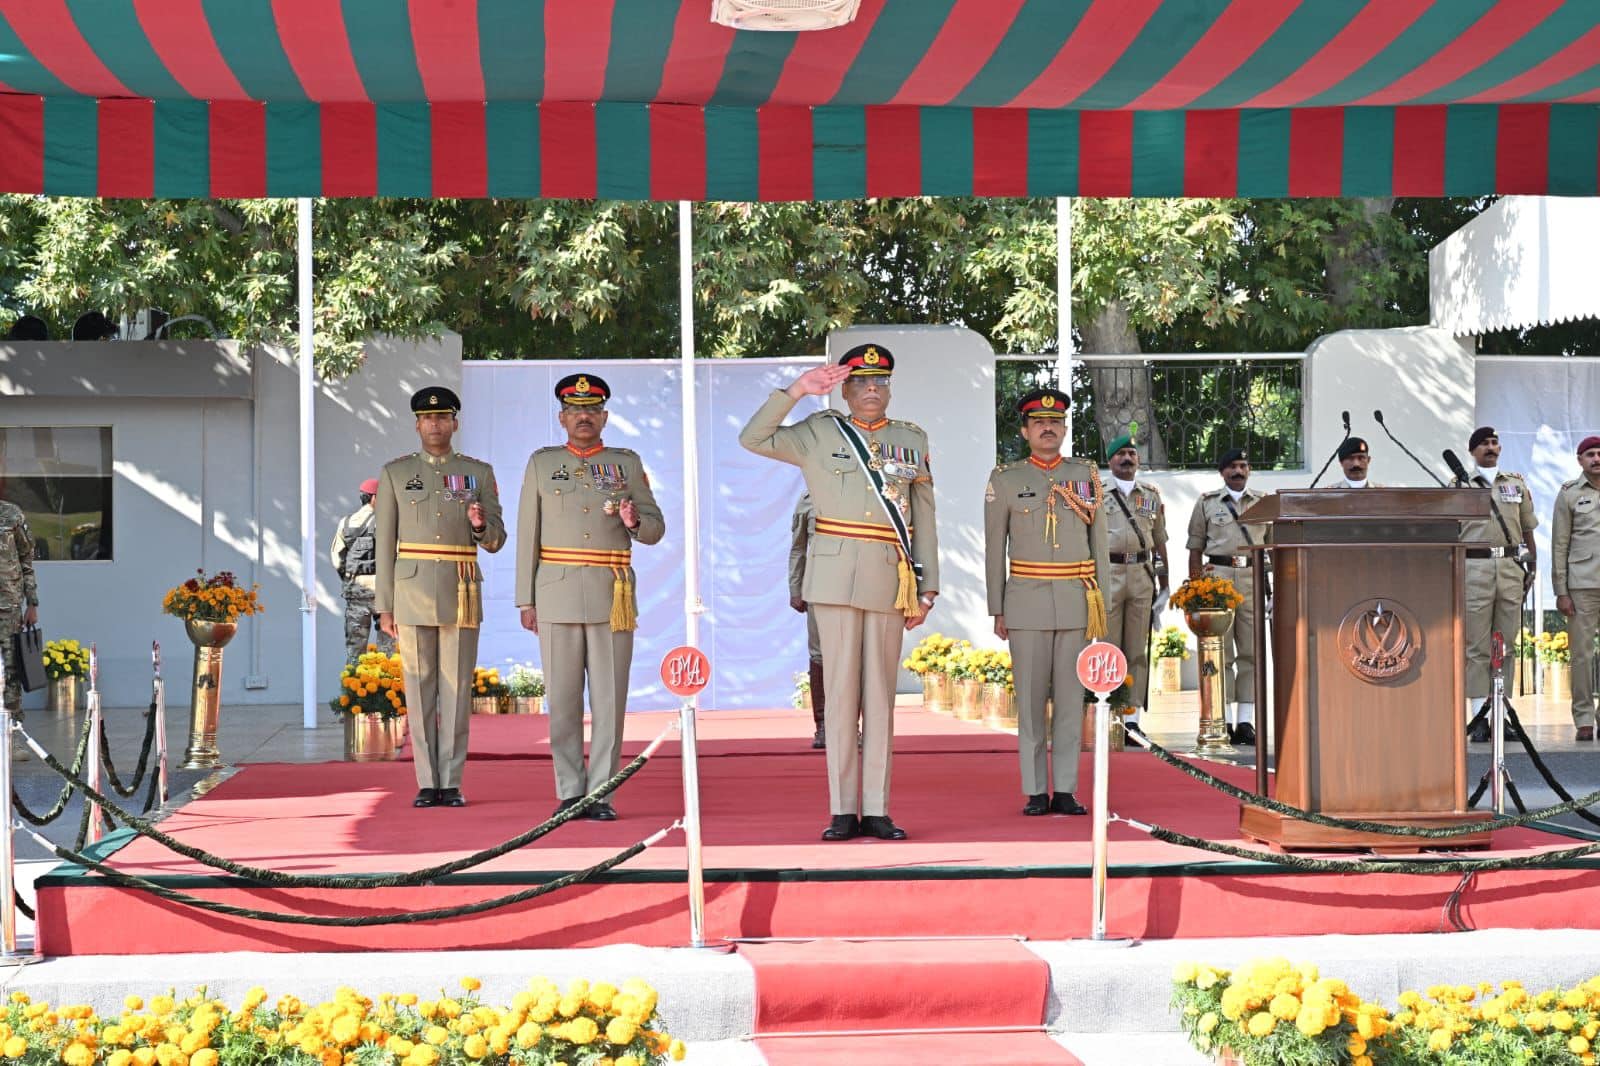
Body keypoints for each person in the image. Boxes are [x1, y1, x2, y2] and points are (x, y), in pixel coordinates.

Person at [740, 344, 938, 842]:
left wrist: (927, 584)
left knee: (880, 697)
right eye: (861, 382)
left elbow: (925, 515)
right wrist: (797, 390)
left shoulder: (910, 438)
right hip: (832, 576)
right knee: (843, 694)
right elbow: (753, 437)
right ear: (845, 390)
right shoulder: (818, 432)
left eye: (880, 382)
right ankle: (842, 809)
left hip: (891, 577)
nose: (872, 389)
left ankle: (876, 808)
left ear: (888, 388)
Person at [516, 374, 665, 820]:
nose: (584, 416)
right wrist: (526, 597)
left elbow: (656, 530)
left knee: (609, 700)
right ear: (562, 417)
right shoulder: (543, 464)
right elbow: (529, 532)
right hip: (556, 592)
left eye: (592, 409)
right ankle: (568, 790)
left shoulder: (625, 463)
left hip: (610, 594)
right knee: (561, 700)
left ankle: (601, 792)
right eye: (575, 410)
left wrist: (635, 518)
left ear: (604, 416)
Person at [375, 387, 505, 809]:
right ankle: (426, 780)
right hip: (411, 589)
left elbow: (497, 540)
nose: (435, 424)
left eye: (443, 418)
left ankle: (451, 781)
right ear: (417, 424)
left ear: (455, 423)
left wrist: (481, 524)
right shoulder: (395, 473)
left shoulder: (477, 474)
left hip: (460, 588)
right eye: (427, 419)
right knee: (419, 687)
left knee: (454, 689)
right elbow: (384, 543)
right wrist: (384, 604)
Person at [987, 388, 1110, 815]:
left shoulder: (1085, 474)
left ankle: (1067, 790)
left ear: (1064, 428)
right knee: (1032, 700)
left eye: (1055, 422)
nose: (1047, 427)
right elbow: (993, 548)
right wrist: (997, 607)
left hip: (1076, 599)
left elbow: (1100, 545)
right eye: (1038, 422)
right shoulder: (1006, 478)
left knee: (1072, 702)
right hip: (1026, 601)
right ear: (1025, 431)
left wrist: (1102, 605)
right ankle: (1036, 790)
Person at [1454, 427, 1538, 741]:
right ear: (1472, 450)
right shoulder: (1459, 486)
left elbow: (1527, 529)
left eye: (1494, 443)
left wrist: (1532, 566)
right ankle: (1479, 718)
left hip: (1511, 566)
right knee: (1477, 647)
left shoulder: (1515, 483)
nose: (1490, 448)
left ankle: (1503, 716)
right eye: (1483, 444)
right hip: (1474, 567)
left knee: (1506, 645)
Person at [1186, 449, 1265, 745]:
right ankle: (1223, 718)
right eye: (1232, 466)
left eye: (1243, 465)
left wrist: (1273, 588)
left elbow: (1273, 548)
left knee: (1251, 651)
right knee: (1221, 654)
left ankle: (1246, 720)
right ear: (1222, 472)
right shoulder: (1207, 503)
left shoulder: (1263, 503)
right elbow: (1195, 549)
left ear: (1249, 469)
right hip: (1217, 579)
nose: (1238, 471)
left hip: (1252, 579)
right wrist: (1195, 591)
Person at [1102, 426, 1167, 736]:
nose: (1126, 458)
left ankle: (1132, 719)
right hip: (1109, 574)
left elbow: (1158, 537)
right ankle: (1110, 714)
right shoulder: (1096, 493)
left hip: (1141, 575)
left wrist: (1165, 579)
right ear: (1111, 460)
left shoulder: (1150, 495)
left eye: (1131, 453)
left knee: (1136, 649)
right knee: (1109, 646)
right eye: (1120, 454)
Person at [1551, 436, 1600, 741]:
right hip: (1582, 586)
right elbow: (1560, 544)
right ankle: (1583, 717)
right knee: (1581, 656)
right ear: (1580, 460)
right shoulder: (1569, 494)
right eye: (1591, 454)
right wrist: (1561, 590)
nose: (1597, 458)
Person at [331, 478, 395, 663]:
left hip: (356, 593)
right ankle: (384, 690)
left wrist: (351, 578)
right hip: (384, 596)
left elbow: (337, 558)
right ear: (374, 498)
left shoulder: (346, 522)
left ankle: (352, 691)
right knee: (387, 653)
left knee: (354, 652)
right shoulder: (388, 522)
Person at [789, 492, 826, 749]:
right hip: (819, 588)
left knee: (855, 658)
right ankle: (823, 725)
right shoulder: (809, 499)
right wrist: (795, 586)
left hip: (855, 589)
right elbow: (799, 547)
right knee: (820, 657)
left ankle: (851, 726)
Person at [0, 499, 38, 722]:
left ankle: (12, 732)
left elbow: (27, 558)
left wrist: (32, 603)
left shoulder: (11, 514)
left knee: (11, 667)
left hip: (8, 607)